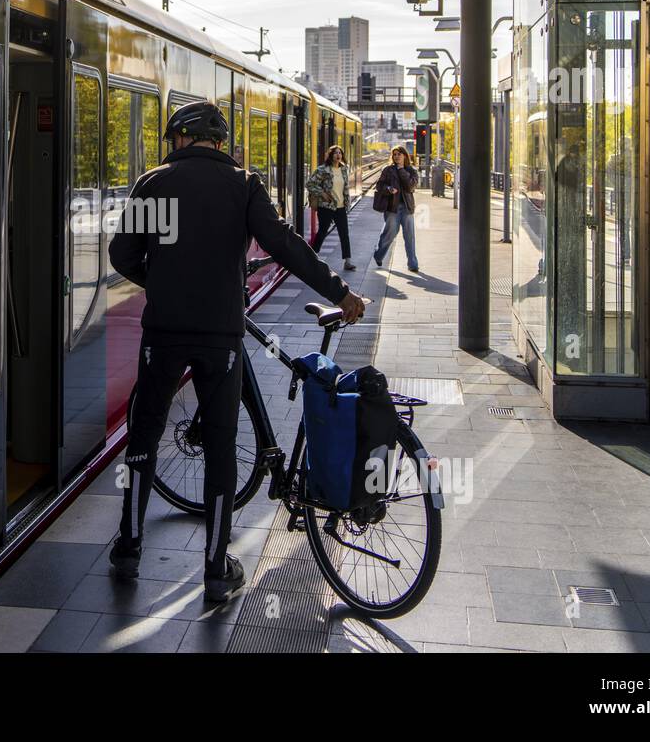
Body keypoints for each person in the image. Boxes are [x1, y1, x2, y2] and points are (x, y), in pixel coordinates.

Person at [107, 101, 365, 602]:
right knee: (222, 445)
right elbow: (287, 246)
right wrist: (339, 293)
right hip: (221, 336)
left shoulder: (152, 184)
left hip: (163, 333)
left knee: (144, 434)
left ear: (181, 138)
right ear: (219, 142)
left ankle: (130, 548)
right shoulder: (244, 185)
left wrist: (160, 282)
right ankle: (215, 568)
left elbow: (123, 255)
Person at [305, 145, 356, 269]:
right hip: (326, 206)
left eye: (340, 153)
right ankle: (312, 259)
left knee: (344, 233)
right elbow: (310, 183)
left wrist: (346, 202)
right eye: (335, 153)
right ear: (330, 155)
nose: (338, 155)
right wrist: (322, 193)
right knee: (322, 232)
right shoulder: (323, 170)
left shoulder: (344, 169)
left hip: (340, 207)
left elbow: (345, 188)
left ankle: (347, 262)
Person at [372, 146, 420, 272]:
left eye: (399, 154)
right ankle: (379, 254)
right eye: (394, 154)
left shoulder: (411, 170)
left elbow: (410, 186)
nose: (396, 156)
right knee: (390, 234)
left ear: (404, 156)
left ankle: (412, 263)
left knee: (409, 236)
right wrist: (388, 189)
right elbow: (379, 185)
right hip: (392, 208)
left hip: (407, 208)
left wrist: (401, 170)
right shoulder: (387, 170)